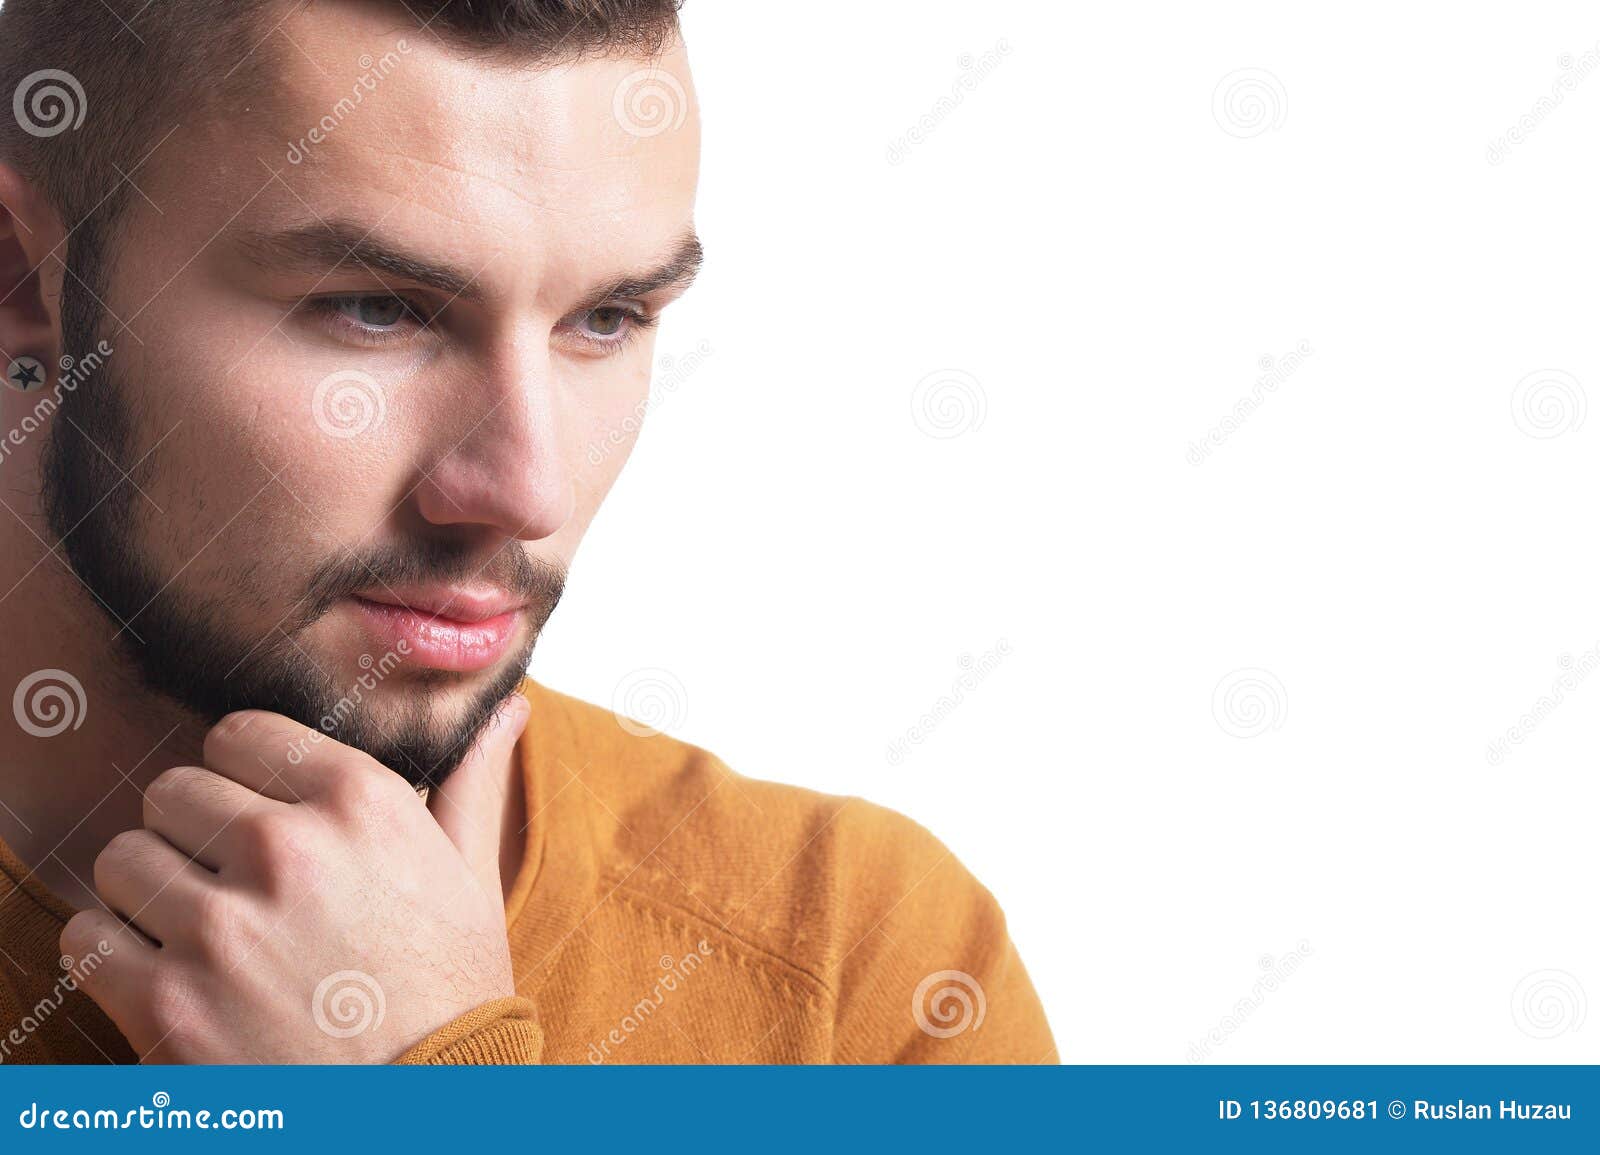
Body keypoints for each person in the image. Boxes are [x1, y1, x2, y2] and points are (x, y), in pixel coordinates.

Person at [0, 0, 1054, 1064]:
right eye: (377, 309)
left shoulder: (860, 967)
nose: (526, 492)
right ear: (20, 279)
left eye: (605, 319)